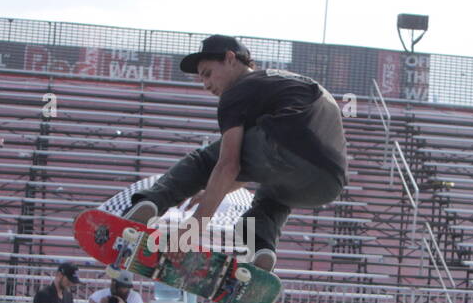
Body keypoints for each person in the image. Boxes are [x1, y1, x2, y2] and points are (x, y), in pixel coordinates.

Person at [125, 35, 349, 272]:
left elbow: (228, 165)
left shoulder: (240, 89)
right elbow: (256, 165)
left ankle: (151, 203)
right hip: (327, 184)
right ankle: (262, 249)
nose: (206, 85)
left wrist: (191, 230)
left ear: (230, 59)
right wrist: (214, 190)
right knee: (270, 201)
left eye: (208, 73)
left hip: (283, 145)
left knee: (204, 161)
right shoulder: (281, 80)